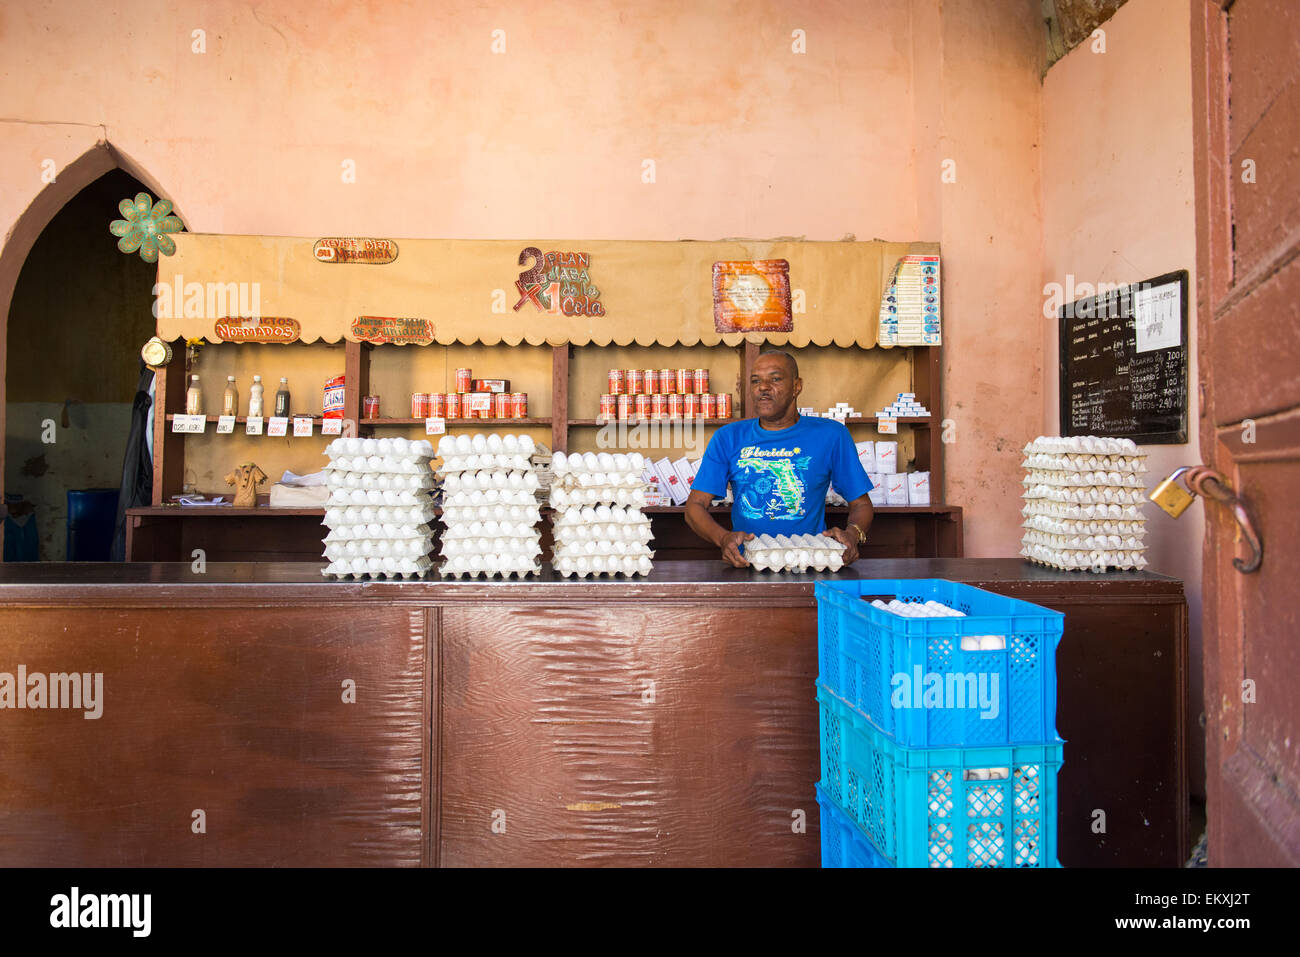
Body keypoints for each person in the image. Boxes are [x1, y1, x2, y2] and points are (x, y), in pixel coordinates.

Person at [685, 350, 873, 568]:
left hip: (810, 564)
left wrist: (853, 533)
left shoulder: (831, 435)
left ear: (797, 386)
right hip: (748, 564)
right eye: (756, 381)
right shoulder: (728, 437)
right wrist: (723, 538)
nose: (763, 387)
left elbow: (861, 504)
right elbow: (694, 507)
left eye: (775, 379)